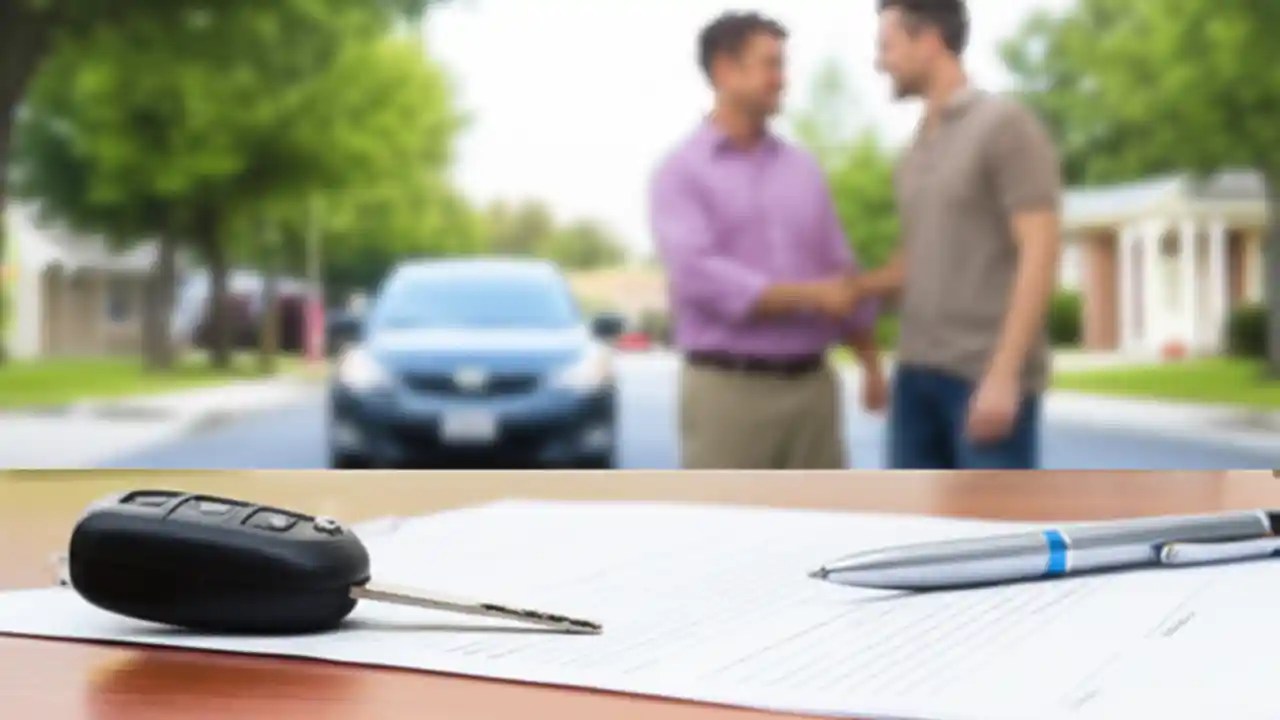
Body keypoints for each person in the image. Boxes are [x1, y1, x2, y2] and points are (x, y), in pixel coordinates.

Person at [649, 11, 885, 471]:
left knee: (829, 528)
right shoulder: (681, 173)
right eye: (770, 65)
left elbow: (840, 268)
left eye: (783, 66)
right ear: (724, 70)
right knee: (726, 529)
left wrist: (872, 364)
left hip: (813, 392)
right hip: (728, 393)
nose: (782, 79)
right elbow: (699, 276)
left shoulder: (803, 168)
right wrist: (812, 296)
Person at [852, 0, 1063, 469]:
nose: (879, 61)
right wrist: (844, 290)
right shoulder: (915, 146)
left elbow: (1040, 248)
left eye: (887, 46)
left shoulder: (1005, 127)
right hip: (915, 376)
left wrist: (1005, 374)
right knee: (918, 533)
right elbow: (919, 260)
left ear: (928, 42)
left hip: (980, 380)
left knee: (990, 536)